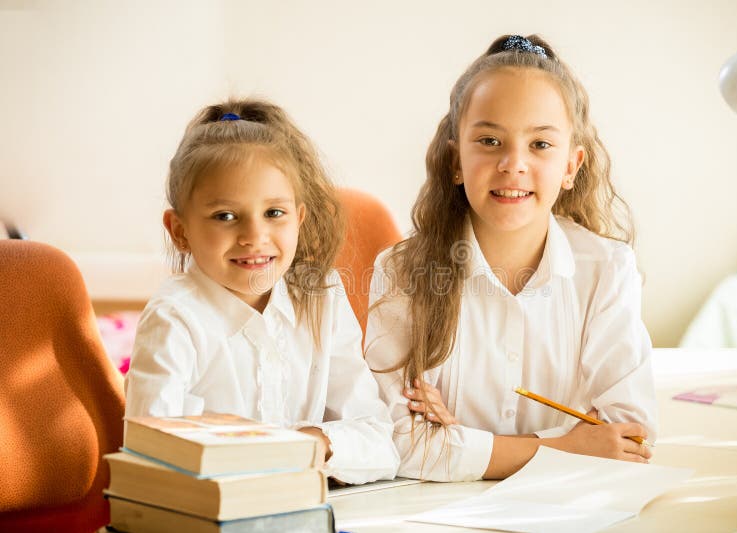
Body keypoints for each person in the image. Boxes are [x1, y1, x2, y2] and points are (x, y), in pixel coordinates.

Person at [366, 34, 656, 481]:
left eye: (540, 145)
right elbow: (398, 443)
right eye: (488, 141)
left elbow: (630, 438)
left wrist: (466, 447)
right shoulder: (401, 272)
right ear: (455, 161)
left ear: (570, 167)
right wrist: (566, 447)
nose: (512, 164)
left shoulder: (607, 269)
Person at [125, 99, 399, 484]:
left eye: (274, 213)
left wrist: (319, 442)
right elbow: (150, 460)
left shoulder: (323, 297)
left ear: (299, 218)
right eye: (225, 216)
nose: (255, 237)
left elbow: (381, 443)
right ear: (180, 231)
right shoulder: (175, 318)